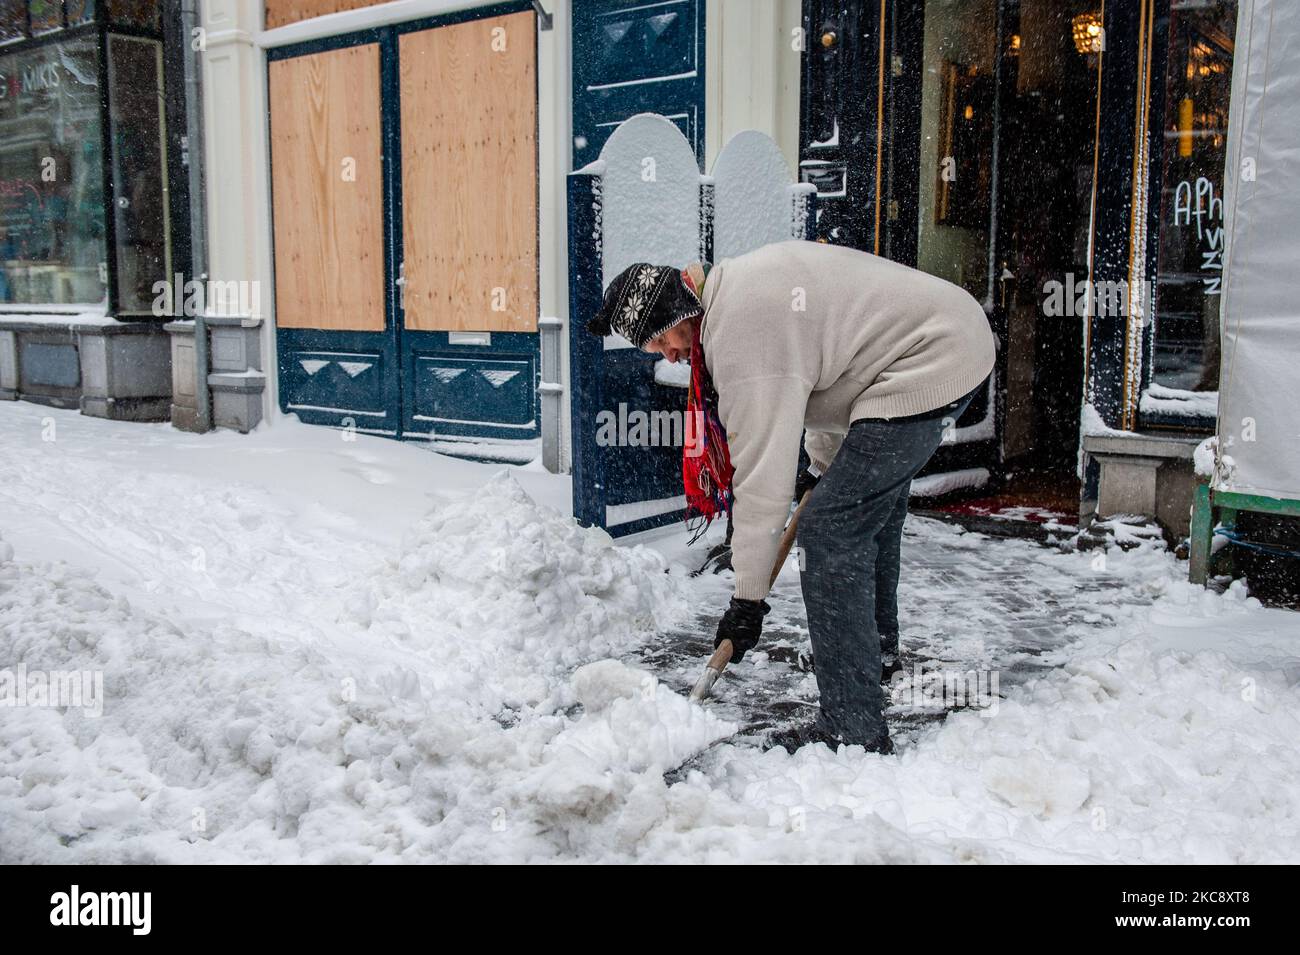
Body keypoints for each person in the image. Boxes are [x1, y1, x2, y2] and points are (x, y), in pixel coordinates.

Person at [586, 240, 996, 754]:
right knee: (864, 508)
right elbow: (831, 383)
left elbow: (761, 481)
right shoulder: (734, 295)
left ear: (675, 309)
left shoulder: (739, 329)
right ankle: (873, 654)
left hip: (933, 357)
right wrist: (826, 470)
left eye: (658, 341)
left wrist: (748, 599)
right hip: (945, 340)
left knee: (830, 530)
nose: (668, 355)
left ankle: (852, 725)